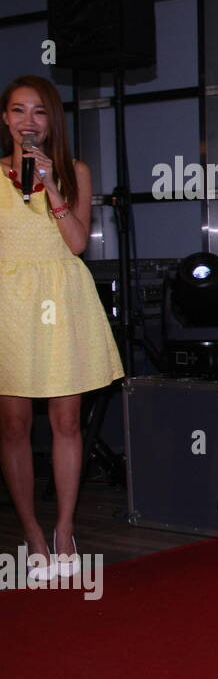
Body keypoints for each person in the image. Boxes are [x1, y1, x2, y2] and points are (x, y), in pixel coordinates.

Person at [0, 75, 123, 582]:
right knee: (14, 425)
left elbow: (75, 243)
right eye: (18, 110)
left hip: (61, 297)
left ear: (52, 121)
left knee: (67, 422)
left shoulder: (73, 171)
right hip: (9, 302)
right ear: (4, 119)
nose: (28, 121)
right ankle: (31, 534)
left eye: (39, 112)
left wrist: (50, 184)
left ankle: (65, 528)